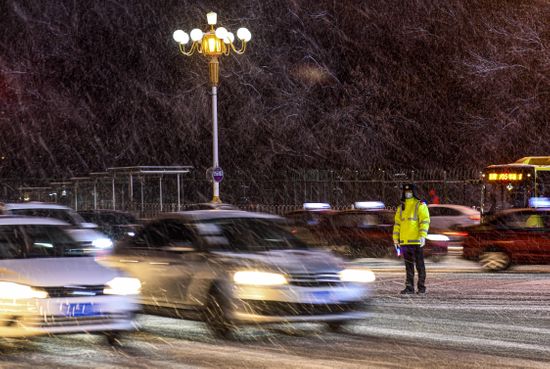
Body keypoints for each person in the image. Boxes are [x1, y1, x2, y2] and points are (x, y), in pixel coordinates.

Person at [393, 183, 430, 294]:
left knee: (419, 266)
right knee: (408, 267)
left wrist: (423, 236)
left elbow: (425, 221)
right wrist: (396, 239)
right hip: (404, 242)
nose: (408, 194)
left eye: (409, 192)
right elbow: (397, 225)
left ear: (414, 192)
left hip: (416, 242)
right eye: (406, 192)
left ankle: (421, 287)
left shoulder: (420, 205)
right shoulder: (401, 208)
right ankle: (409, 288)